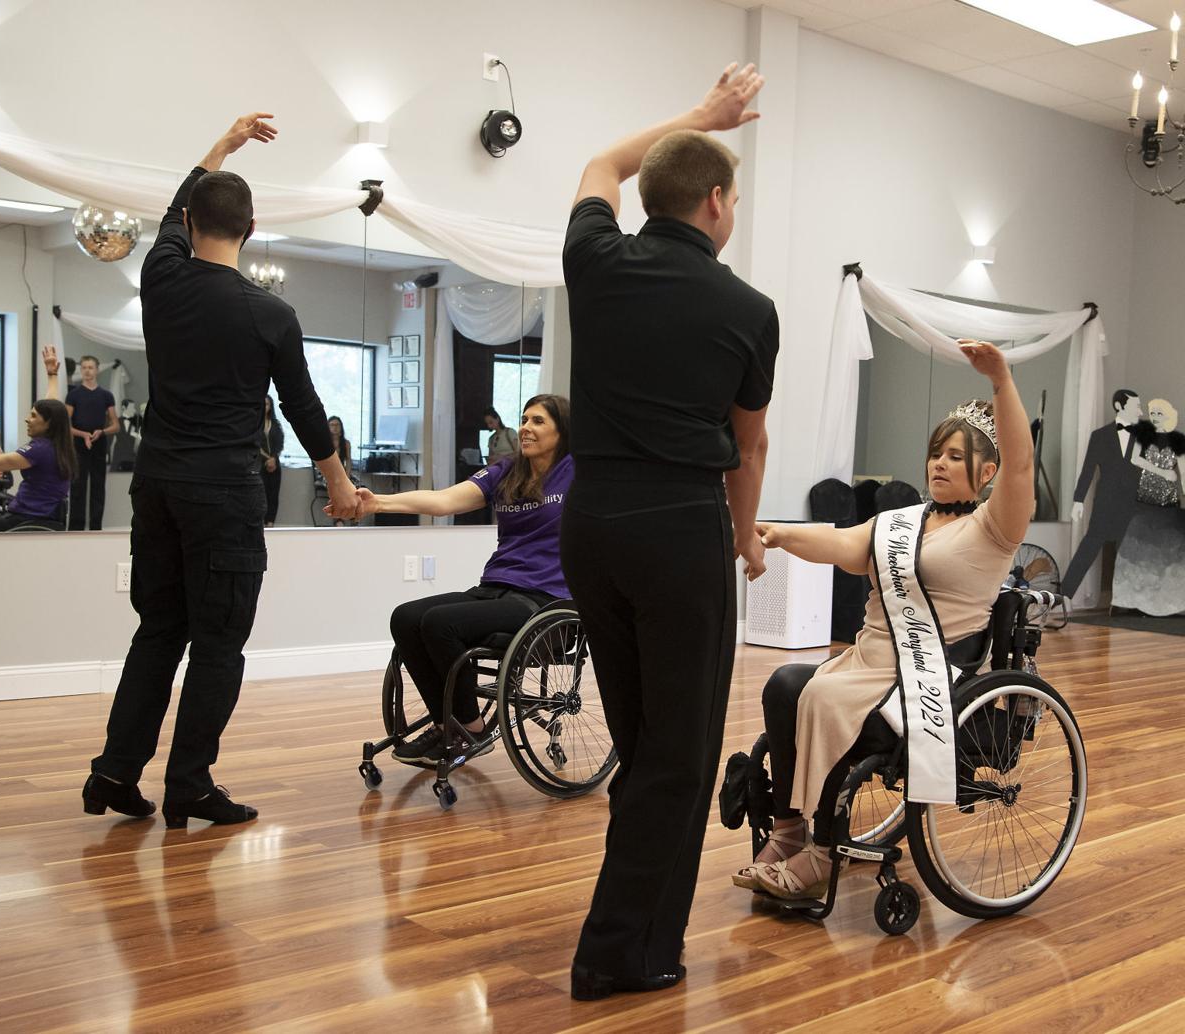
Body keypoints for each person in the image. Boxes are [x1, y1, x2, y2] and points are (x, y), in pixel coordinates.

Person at [560, 63, 776, 1001]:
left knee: (646, 744)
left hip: (592, 523)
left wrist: (703, 116)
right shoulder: (749, 311)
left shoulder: (595, 260)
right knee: (678, 757)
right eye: (734, 199)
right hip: (679, 528)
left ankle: (643, 935)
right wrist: (745, 536)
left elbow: (601, 164)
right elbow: (747, 445)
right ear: (717, 203)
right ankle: (620, 951)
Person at [82, 113, 360, 828]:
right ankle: (189, 786)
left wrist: (223, 147)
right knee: (217, 645)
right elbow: (303, 406)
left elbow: (179, 203)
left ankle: (114, 771)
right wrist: (337, 481)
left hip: (157, 486)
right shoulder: (271, 313)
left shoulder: (160, 277)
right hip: (224, 497)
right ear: (251, 228)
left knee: (158, 630)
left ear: (188, 223)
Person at [737, 341, 1032, 901]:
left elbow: (1022, 466)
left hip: (927, 678)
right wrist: (774, 533)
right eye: (936, 453)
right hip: (866, 661)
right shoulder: (902, 522)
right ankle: (789, 829)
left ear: (986, 471)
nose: (939, 463)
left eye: (955, 456)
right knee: (784, 685)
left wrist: (1002, 383)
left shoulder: (996, 528)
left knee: (822, 698)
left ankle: (823, 853)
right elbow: (844, 544)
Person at [348, 395, 572, 766]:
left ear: (562, 431)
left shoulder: (577, 472)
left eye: (538, 421)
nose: (526, 428)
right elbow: (444, 501)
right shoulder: (507, 471)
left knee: (441, 623)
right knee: (405, 616)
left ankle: (471, 727)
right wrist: (378, 503)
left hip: (543, 598)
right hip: (496, 587)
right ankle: (446, 725)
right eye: (524, 419)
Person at [1060, 389, 1144, 600]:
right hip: (1106, 501)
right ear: (1119, 406)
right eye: (1136, 406)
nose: (1140, 412)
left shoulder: (1143, 437)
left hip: (1133, 504)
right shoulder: (1100, 436)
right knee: (1089, 546)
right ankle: (1062, 596)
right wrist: (1078, 500)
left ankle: (1127, 603)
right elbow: (1088, 469)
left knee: (1128, 553)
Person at [0, 346, 76, 530]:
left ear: (48, 423)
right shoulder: (56, 443)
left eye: (33, 416)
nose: (27, 419)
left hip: (25, 519)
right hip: (33, 515)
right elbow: (52, 405)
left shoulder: (39, 449)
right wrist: (52, 375)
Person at [1112, 398, 1185, 616]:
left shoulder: (1178, 441)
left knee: (1171, 548)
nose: (1155, 417)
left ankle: (1171, 601)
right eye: (1152, 413)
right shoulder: (1143, 437)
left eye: (1159, 413)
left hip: (1168, 499)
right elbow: (1135, 459)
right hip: (1146, 496)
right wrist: (1162, 472)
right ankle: (1129, 599)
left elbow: (1183, 469)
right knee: (1136, 543)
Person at [65, 354, 120, 530]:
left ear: (97, 370)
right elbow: (65, 425)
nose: (87, 371)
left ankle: (96, 527)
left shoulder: (106, 395)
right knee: (77, 486)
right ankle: (76, 528)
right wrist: (83, 434)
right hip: (79, 445)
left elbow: (115, 425)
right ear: (81, 370)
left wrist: (101, 432)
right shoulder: (73, 395)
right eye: (84, 368)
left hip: (99, 444)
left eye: (90, 367)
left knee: (98, 486)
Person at [260, 396, 285, 526]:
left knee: (273, 494)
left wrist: (273, 458)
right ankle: (261, 522)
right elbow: (255, 444)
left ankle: (270, 523)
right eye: (263, 404)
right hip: (259, 464)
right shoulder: (254, 425)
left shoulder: (275, 424)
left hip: (275, 464)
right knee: (261, 494)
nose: (265, 407)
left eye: (267, 404)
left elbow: (280, 443)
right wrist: (267, 459)